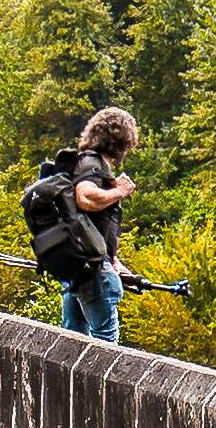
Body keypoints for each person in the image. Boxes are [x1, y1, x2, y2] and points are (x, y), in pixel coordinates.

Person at [25, 100, 142, 337]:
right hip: (93, 273)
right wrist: (120, 191)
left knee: (74, 338)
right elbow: (86, 197)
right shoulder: (93, 164)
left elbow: (90, 222)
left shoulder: (83, 163)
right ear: (123, 140)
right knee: (105, 339)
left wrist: (114, 262)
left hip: (81, 269)